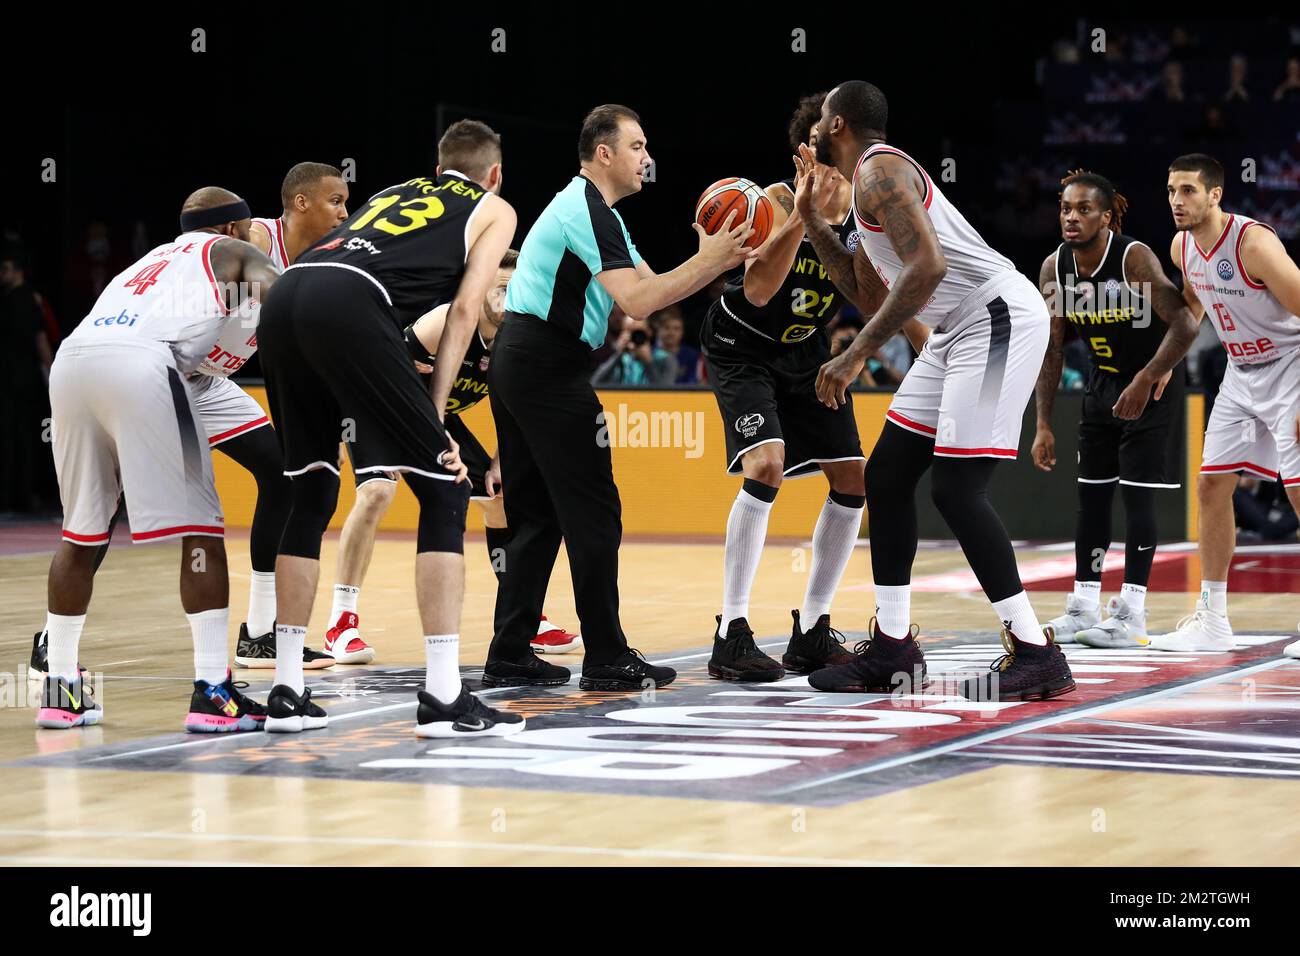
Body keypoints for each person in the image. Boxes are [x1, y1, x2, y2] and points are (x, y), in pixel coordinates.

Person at [799, 80, 1076, 701]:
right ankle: (894, 648)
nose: (813, 127)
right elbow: (864, 288)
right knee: (890, 475)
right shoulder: (868, 190)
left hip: (995, 315)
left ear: (838, 123)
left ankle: (1036, 652)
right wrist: (814, 221)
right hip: (958, 328)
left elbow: (929, 268)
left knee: (956, 488)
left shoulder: (879, 173)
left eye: (820, 118)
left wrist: (855, 355)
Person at [26, 164, 352, 681]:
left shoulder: (159, 256)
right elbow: (295, 317)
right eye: (336, 200)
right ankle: (208, 686)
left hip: (144, 367)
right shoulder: (251, 244)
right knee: (195, 527)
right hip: (164, 367)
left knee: (279, 471)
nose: (344, 212)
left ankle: (260, 631)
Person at [257, 119, 521, 736]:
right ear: (495, 174)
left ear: (436, 169)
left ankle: (287, 689)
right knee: (449, 487)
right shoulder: (495, 209)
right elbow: (461, 314)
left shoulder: (388, 194)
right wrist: (433, 418)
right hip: (352, 305)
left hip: (287, 295)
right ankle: (445, 695)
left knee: (314, 492)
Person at [482, 103, 752, 691]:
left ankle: (508, 651)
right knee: (595, 511)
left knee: (538, 514)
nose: (647, 159)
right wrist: (709, 259)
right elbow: (637, 301)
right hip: (545, 365)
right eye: (637, 147)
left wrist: (724, 262)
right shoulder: (586, 208)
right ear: (603, 154)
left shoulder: (601, 215)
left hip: (524, 360)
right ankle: (605, 654)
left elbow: (654, 291)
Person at [700, 91, 930, 682]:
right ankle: (731, 631)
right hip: (743, 345)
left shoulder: (862, 210)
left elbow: (874, 290)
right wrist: (806, 216)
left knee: (853, 477)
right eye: (825, 161)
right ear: (805, 154)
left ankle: (813, 631)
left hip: (804, 351)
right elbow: (758, 291)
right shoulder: (774, 201)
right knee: (767, 465)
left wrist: (923, 338)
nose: (837, 174)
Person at [37, 188, 280, 732]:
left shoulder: (147, 261)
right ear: (237, 228)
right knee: (202, 531)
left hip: (73, 363)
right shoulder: (229, 251)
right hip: (146, 365)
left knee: (82, 532)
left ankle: (59, 691)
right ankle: (214, 692)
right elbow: (292, 300)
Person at [326, 249, 585, 659]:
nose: (508, 296)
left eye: (517, 289)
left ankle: (523, 616)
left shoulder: (518, 337)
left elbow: (522, 405)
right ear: (481, 287)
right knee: (376, 492)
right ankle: (341, 621)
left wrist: (501, 458)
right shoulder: (443, 323)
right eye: (501, 287)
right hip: (378, 406)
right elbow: (369, 367)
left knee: (499, 501)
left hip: (437, 416)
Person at [1032, 170, 1198, 649]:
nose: (1071, 217)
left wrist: (1147, 379)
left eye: (1084, 209)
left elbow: (1184, 325)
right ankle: (1083, 606)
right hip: (1102, 385)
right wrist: (1043, 422)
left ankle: (1132, 614)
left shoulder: (1132, 258)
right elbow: (1053, 348)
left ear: (1106, 217)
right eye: (1065, 208)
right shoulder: (1053, 268)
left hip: (1153, 386)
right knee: (1093, 499)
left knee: (1137, 499)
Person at [1151, 153, 1300, 656]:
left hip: (1290, 363)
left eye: (1188, 190)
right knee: (1212, 485)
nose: (1177, 200)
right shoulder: (1180, 246)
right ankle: (1212, 620)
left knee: (1299, 491)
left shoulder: (1253, 243)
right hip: (1241, 371)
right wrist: (1167, 361)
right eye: (1172, 190)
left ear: (1215, 194)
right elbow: (1194, 304)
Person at [0, 249, 53, 514]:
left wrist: (52, 371)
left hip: (20, 379)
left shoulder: (26, 301)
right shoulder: (15, 299)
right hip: (15, 379)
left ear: (18, 271)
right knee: (18, 437)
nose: (2, 275)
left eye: (6, 269)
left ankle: (20, 496)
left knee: (21, 437)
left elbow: (40, 338)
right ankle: (17, 496)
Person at [654, 306, 700, 383]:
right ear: (658, 330)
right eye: (667, 327)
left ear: (682, 332)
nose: (671, 333)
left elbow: (694, 382)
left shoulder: (692, 355)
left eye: (676, 328)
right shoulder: (650, 354)